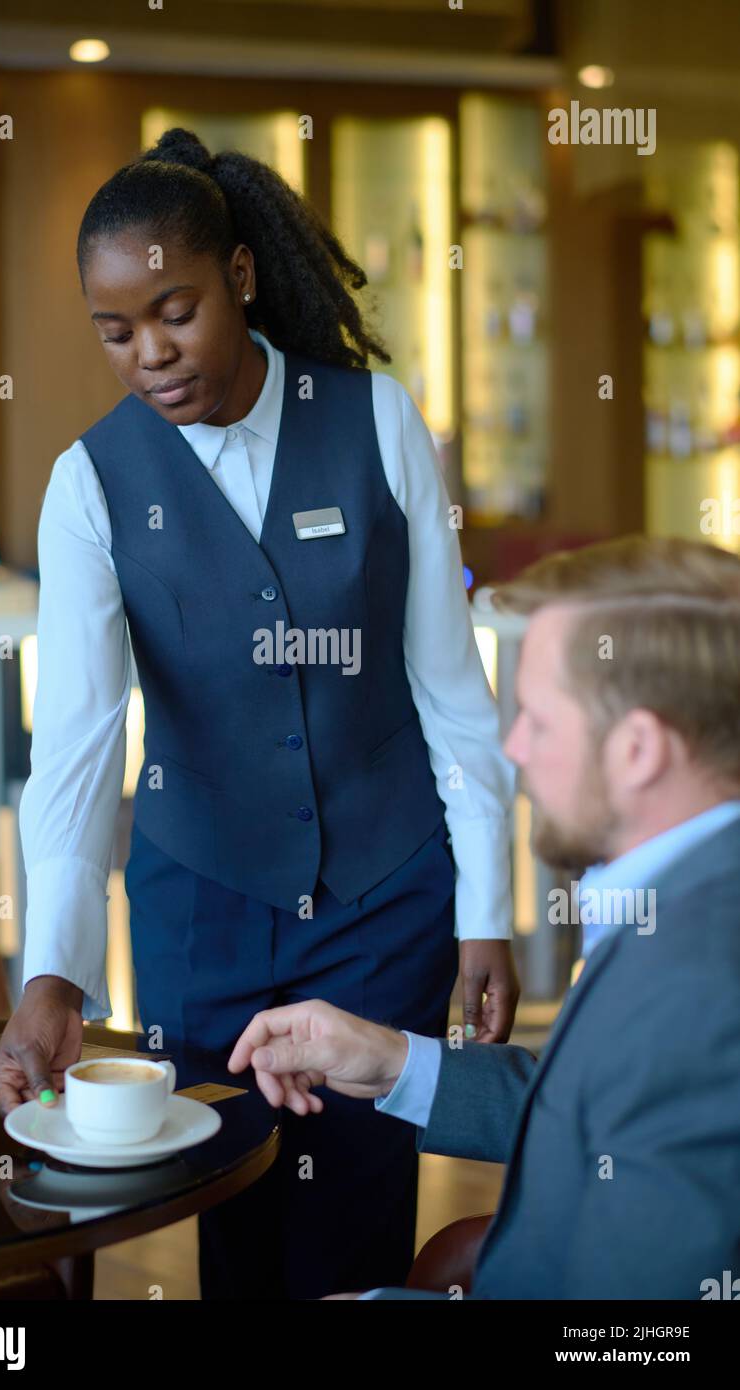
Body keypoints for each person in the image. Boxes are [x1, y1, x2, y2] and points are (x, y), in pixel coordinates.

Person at [0, 127, 518, 1300]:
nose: (148, 354)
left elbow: (448, 684)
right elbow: (76, 745)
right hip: (201, 910)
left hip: (383, 896)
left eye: (172, 311)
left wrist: (487, 905)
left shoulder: (376, 421)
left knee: (356, 1215)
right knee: (226, 1210)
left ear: (237, 274)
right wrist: (54, 978)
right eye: (115, 331)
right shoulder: (89, 486)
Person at [229, 535, 740, 1299]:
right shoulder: (686, 901)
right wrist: (396, 1062)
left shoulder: (701, 982)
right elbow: (604, 1118)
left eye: (537, 718)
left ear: (638, 750)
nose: (513, 747)